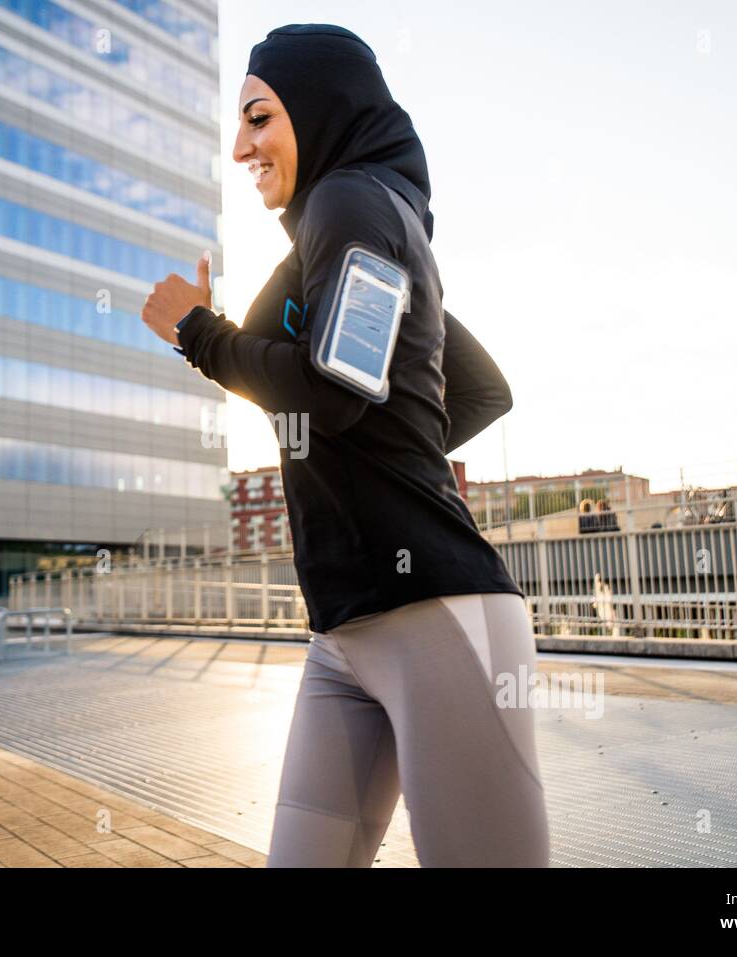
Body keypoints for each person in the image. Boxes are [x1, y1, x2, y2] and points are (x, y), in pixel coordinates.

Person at [139, 24, 549, 868]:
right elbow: (467, 390)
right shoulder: (351, 230)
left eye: (258, 116)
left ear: (319, 106)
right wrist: (389, 456)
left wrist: (197, 331)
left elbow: (333, 389)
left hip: (440, 620)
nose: (239, 144)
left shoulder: (352, 203)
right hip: (342, 635)